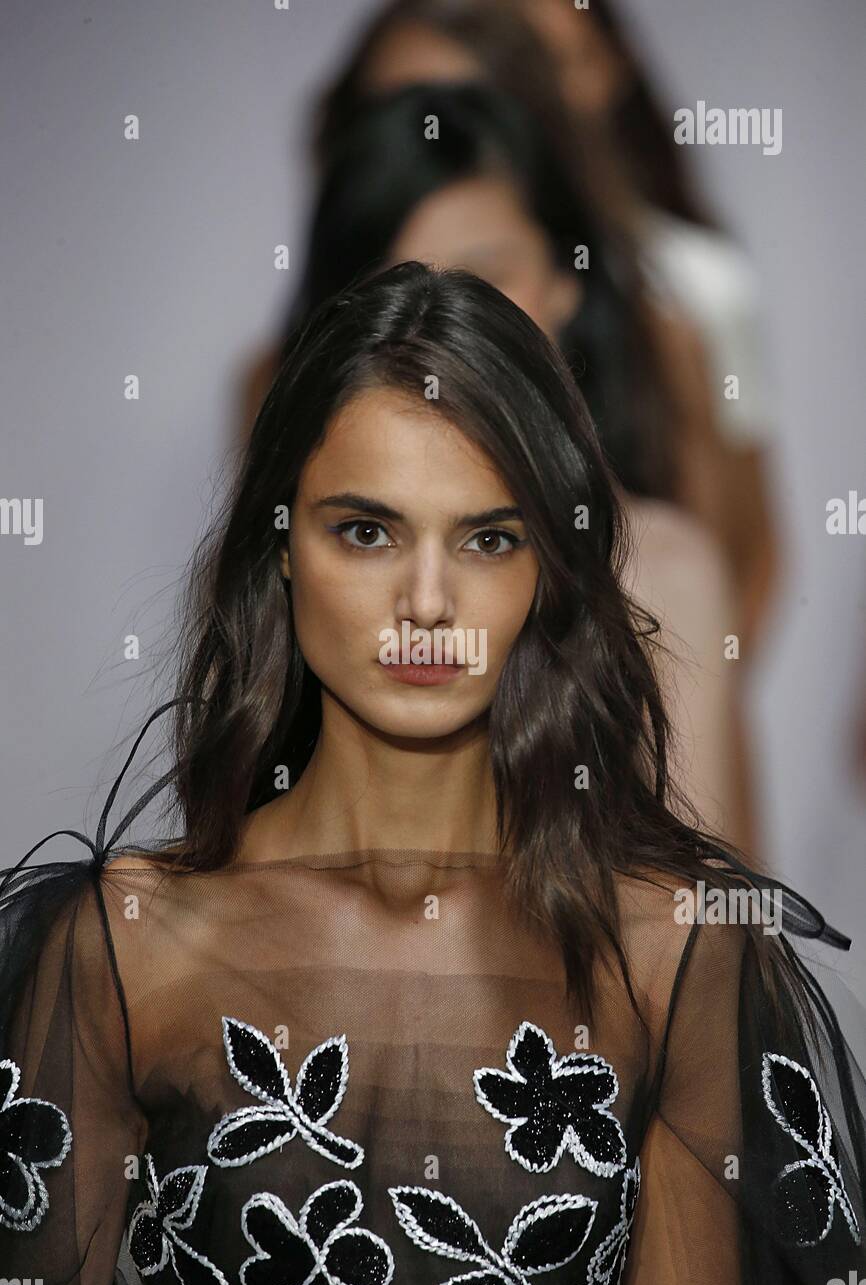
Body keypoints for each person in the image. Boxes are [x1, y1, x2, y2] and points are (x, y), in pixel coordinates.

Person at [0, 263, 863, 1285]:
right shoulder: (124, 949)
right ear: (279, 545)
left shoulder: (672, 950)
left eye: (487, 538)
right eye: (365, 531)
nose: (425, 600)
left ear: (545, 564)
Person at [252, 80, 754, 850]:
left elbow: (710, 901)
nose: (446, 324)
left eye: (491, 541)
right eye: (364, 532)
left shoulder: (667, 567)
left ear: (568, 281)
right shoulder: (283, 559)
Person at [309, 0, 779, 653]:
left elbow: (747, 566)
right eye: (394, 110)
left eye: (466, 104)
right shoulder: (289, 372)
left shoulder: (674, 325)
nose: (429, 138)